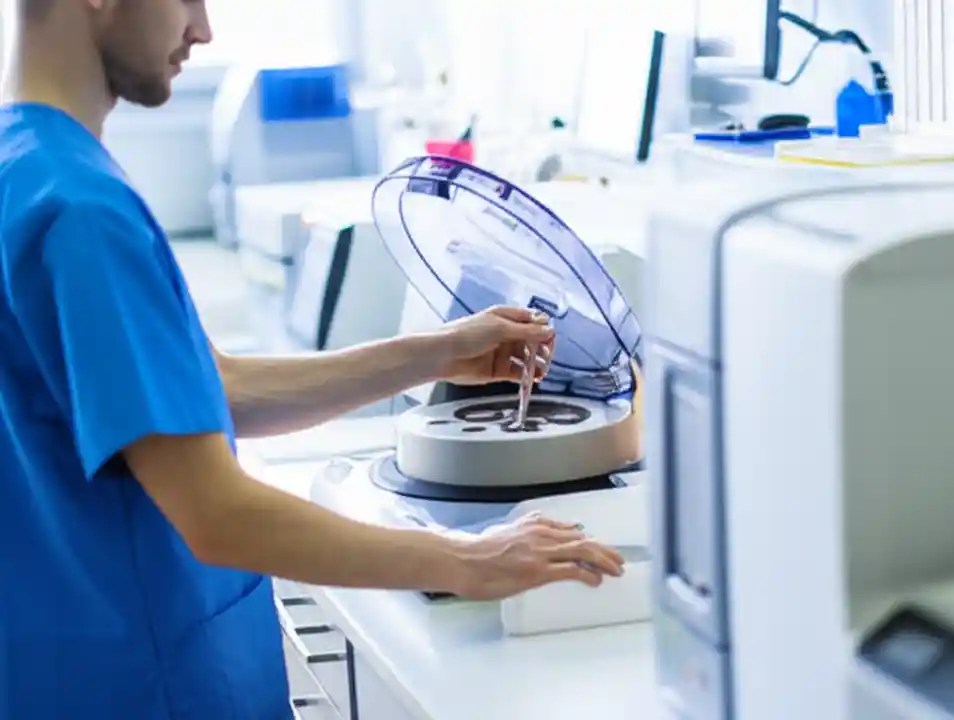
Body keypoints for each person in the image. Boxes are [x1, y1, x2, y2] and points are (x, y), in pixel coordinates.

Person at [0, 1, 625, 718]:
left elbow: (206, 388)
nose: (203, 29)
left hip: (64, 667)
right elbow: (218, 514)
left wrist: (437, 352)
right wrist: (468, 559)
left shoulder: (26, 168)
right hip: (147, 686)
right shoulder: (84, 211)